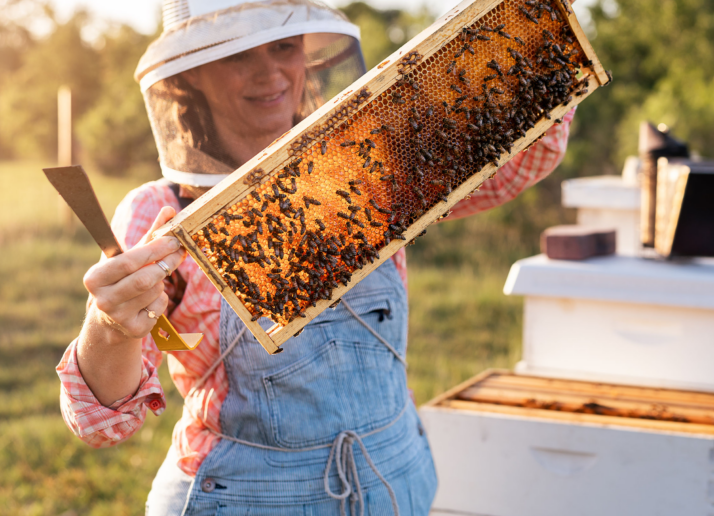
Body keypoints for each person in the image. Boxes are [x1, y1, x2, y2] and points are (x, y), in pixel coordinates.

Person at [55, 0, 576, 514]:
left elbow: (515, 167)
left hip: (396, 484)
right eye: (239, 55)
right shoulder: (159, 211)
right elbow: (104, 424)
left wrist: (537, 27)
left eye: (283, 46)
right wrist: (110, 328)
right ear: (191, 78)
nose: (270, 73)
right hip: (247, 497)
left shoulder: (367, 167)